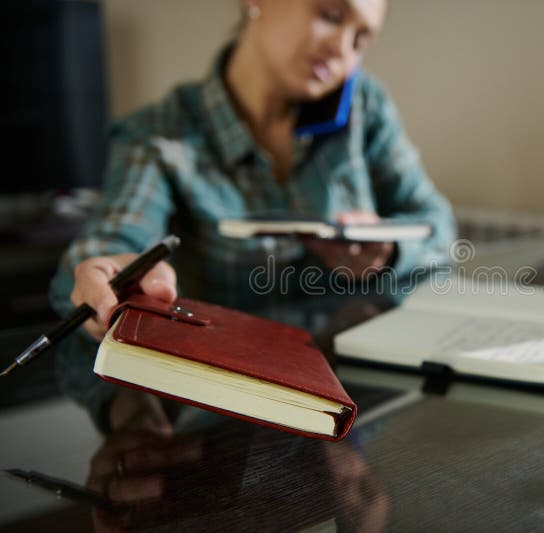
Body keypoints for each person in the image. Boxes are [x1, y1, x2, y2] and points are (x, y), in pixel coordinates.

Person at [48, 0, 455, 435]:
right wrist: (104, 267)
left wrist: (388, 253)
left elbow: (439, 228)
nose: (343, 50)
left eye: (361, 38)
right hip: (220, 419)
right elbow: (114, 239)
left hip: (350, 406)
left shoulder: (364, 108)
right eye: (331, 16)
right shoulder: (159, 135)